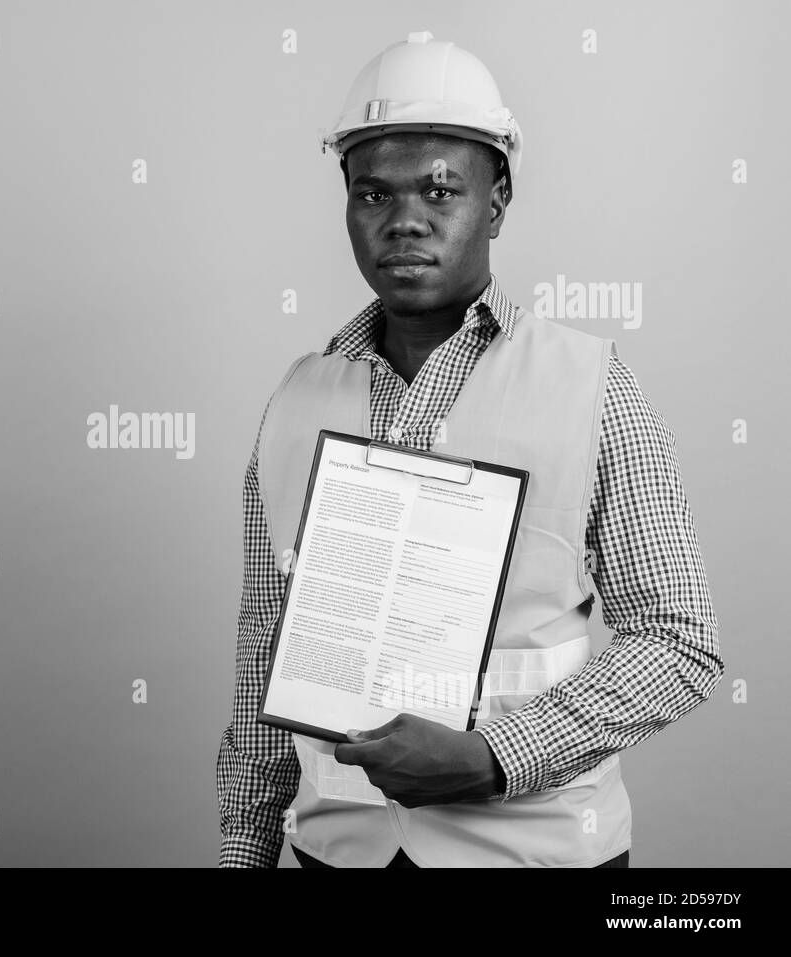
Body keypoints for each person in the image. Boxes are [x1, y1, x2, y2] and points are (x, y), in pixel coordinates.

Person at [215, 31, 724, 868]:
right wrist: (243, 846)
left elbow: (680, 638)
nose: (405, 219)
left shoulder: (591, 384)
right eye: (373, 193)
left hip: (535, 854)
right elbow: (264, 652)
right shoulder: (295, 400)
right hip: (336, 851)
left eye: (441, 190)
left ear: (497, 201)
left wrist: (495, 755)